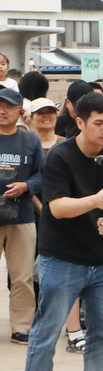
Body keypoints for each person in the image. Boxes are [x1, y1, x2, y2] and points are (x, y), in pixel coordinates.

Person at [21, 92, 103, 371]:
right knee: (47, 328)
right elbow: (56, 208)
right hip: (61, 257)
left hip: (102, 260)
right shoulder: (59, 157)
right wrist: (95, 201)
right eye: (98, 123)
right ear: (79, 122)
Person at [1, 87, 41, 345]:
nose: (2, 111)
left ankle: (22, 326)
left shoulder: (31, 140)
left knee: (23, 275)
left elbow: (42, 175)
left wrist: (27, 187)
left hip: (23, 216)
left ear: (20, 112)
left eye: (8, 106)